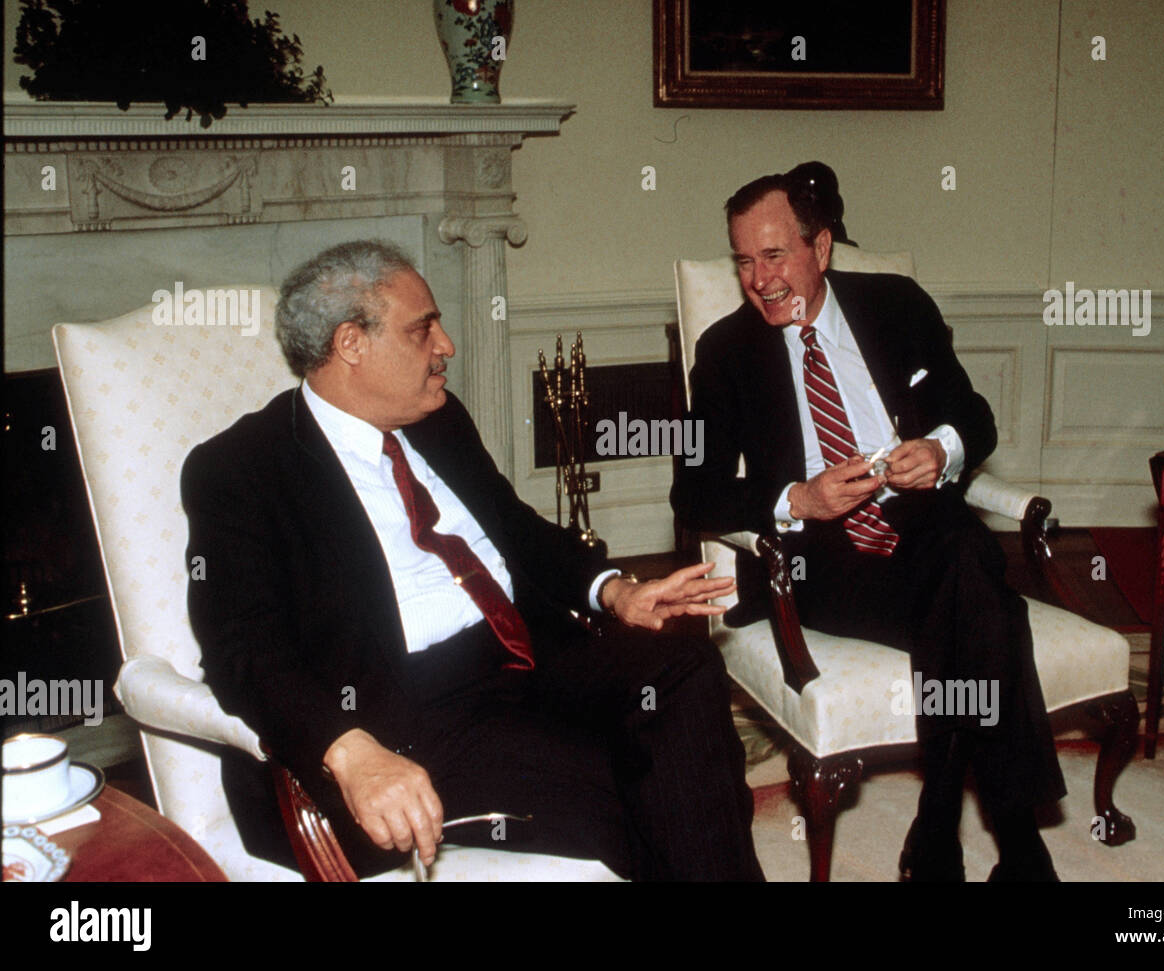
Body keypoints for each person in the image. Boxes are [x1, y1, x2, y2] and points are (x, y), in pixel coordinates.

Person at [182, 239, 763, 881]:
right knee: (632, 793)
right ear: (351, 344)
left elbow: (512, 528)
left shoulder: (436, 419)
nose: (446, 346)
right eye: (422, 328)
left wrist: (612, 590)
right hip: (409, 710)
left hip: (527, 655)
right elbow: (242, 649)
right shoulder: (240, 469)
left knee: (684, 671)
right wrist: (347, 751)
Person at [671, 167, 1067, 881]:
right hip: (822, 562)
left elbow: (972, 415)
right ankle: (1016, 848)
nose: (759, 279)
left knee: (961, 565)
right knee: (985, 602)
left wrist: (940, 448)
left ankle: (937, 832)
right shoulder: (725, 354)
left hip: (923, 530)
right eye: (742, 260)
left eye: (775, 255)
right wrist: (799, 497)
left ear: (820, 247)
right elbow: (692, 495)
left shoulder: (896, 306)